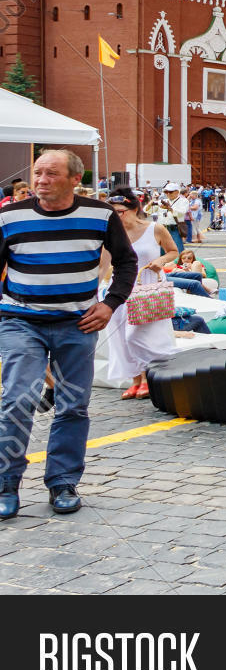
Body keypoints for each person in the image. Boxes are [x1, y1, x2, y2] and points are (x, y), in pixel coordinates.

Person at [0, 151, 139, 519]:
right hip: (20, 320)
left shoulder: (100, 214)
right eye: (38, 172)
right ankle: (5, 484)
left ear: (75, 179)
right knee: (16, 400)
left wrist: (110, 303)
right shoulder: (9, 216)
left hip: (78, 324)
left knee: (73, 405)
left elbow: (126, 262)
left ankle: (62, 482)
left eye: (51, 173)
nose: (41, 179)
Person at [97, 187, 178, 400]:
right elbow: (102, 266)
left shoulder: (155, 228)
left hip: (147, 287)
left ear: (134, 209)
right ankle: (135, 379)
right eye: (112, 212)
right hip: (120, 289)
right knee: (121, 337)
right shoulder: (110, 234)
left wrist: (160, 261)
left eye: (120, 211)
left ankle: (147, 377)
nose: (116, 216)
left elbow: (173, 251)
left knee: (137, 334)